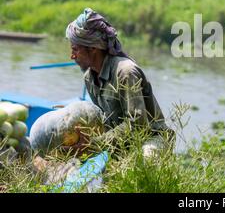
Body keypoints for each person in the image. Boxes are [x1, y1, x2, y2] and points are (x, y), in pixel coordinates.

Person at [65, 8, 174, 156]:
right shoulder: (89, 78)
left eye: (75, 49)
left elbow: (137, 124)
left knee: (148, 156)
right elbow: (104, 121)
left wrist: (95, 143)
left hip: (151, 138)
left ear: (93, 48)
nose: (72, 56)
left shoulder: (125, 72)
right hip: (121, 140)